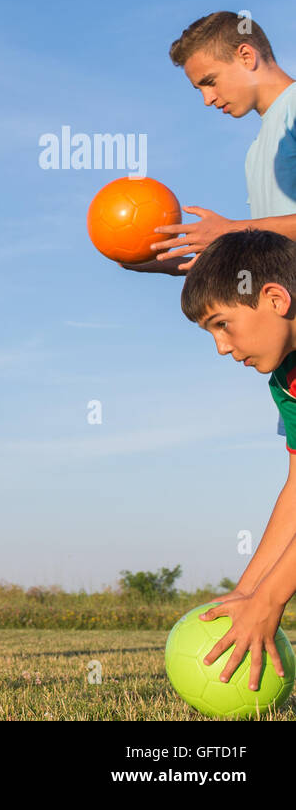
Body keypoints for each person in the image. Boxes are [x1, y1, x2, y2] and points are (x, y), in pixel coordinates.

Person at [179, 228, 296, 691]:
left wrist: (270, 600)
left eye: (222, 324)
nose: (222, 348)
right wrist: (247, 593)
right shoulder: (286, 379)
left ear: (274, 298)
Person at [128, 12, 296, 276]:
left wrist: (232, 230)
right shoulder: (255, 152)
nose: (207, 99)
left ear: (246, 56)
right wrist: (174, 261)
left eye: (210, 82)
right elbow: (274, 253)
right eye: (200, 89)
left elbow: (252, 232)